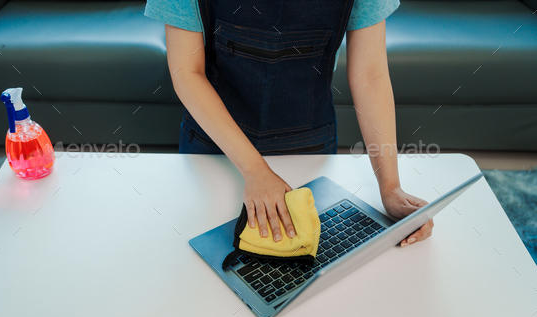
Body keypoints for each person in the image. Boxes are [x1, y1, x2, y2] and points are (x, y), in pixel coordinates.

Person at [145, 0, 433, 247]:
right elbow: (187, 72)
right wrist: (255, 169)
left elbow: (370, 76)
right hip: (214, 153)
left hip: (308, 148)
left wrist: (390, 187)